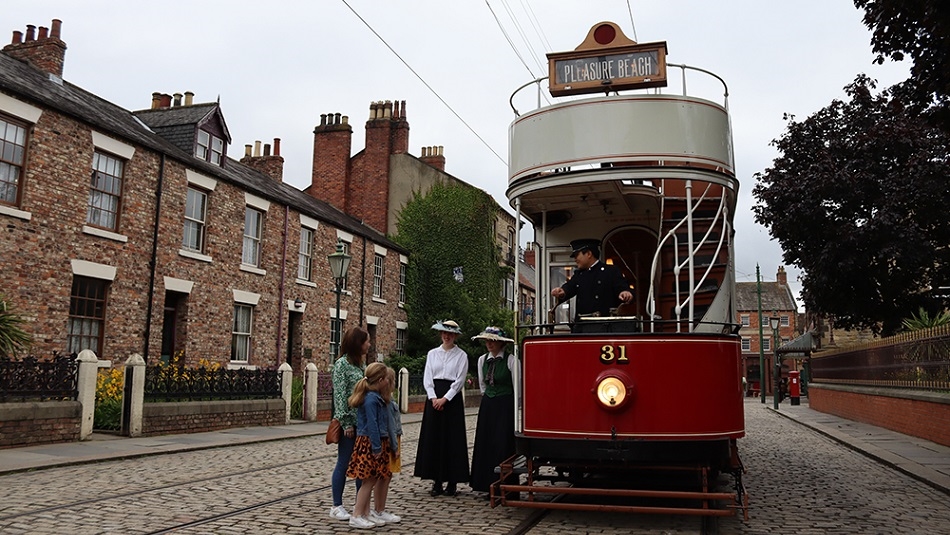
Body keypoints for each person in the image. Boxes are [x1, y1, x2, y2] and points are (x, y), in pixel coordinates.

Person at [414, 320, 470, 497]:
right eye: (445, 333)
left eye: (451, 334)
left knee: (452, 440)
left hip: (451, 401)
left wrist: (445, 399)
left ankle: (452, 481)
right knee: (434, 438)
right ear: (440, 334)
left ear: (455, 336)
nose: (447, 337)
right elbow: (427, 377)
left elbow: (459, 381)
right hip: (434, 398)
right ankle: (436, 480)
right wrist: (433, 398)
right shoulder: (432, 354)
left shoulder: (462, 356)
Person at [346, 362, 401, 529]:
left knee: (373, 478)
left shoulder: (376, 398)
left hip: (376, 442)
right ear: (381, 380)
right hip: (370, 443)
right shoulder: (371, 400)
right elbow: (373, 426)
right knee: (368, 481)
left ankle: (366, 512)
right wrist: (377, 448)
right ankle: (356, 514)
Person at [469, 326, 517, 499]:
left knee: (502, 443)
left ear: (500, 343)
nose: (489, 344)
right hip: (489, 404)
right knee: (486, 442)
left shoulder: (511, 360)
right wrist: (489, 396)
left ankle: (506, 486)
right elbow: (483, 385)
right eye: (487, 341)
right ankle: (485, 485)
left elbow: (517, 385)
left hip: (505, 405)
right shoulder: (483, 360)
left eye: (492, 341)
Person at [328, 327, 369, 521]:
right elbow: (339, 395)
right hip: (349, 424)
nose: (369, 345)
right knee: (344, 463)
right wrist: (345, 423)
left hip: (362, 421)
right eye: (366, 341)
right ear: (357, 343)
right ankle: (336, 505)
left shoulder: (361, 364)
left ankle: (360, 505)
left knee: (361, 464)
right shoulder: (341, 365)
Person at [550, 239, 633, 328]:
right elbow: (570, 287)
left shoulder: (611, 272)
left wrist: (625, 292)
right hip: (583, 328)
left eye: (577, 255)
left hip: (605, 327)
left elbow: (621, 287)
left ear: (589, 254)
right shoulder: (579, 275)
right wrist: (562, 291)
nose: (575, 259)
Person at [385, 366, 403, 475]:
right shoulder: (388, 403)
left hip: (393, 439)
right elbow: (391, 426)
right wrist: (395, 447)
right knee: (387, 473)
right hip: (392, 440)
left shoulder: (389, 400)